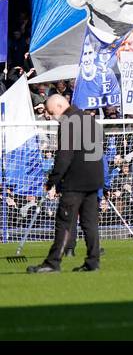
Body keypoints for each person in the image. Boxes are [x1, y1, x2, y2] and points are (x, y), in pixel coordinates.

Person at [27, 94, 103, 274]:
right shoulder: (89, 119)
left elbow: (64, 156)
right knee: (90, 223)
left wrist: (52, 181)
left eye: (52, 113)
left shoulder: (68, 122)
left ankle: (53, 263)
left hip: (75, 181)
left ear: (60, 106)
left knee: (64, 222)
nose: (52, 117)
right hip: (94, 179)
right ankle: (93, 262)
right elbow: (102, 142)